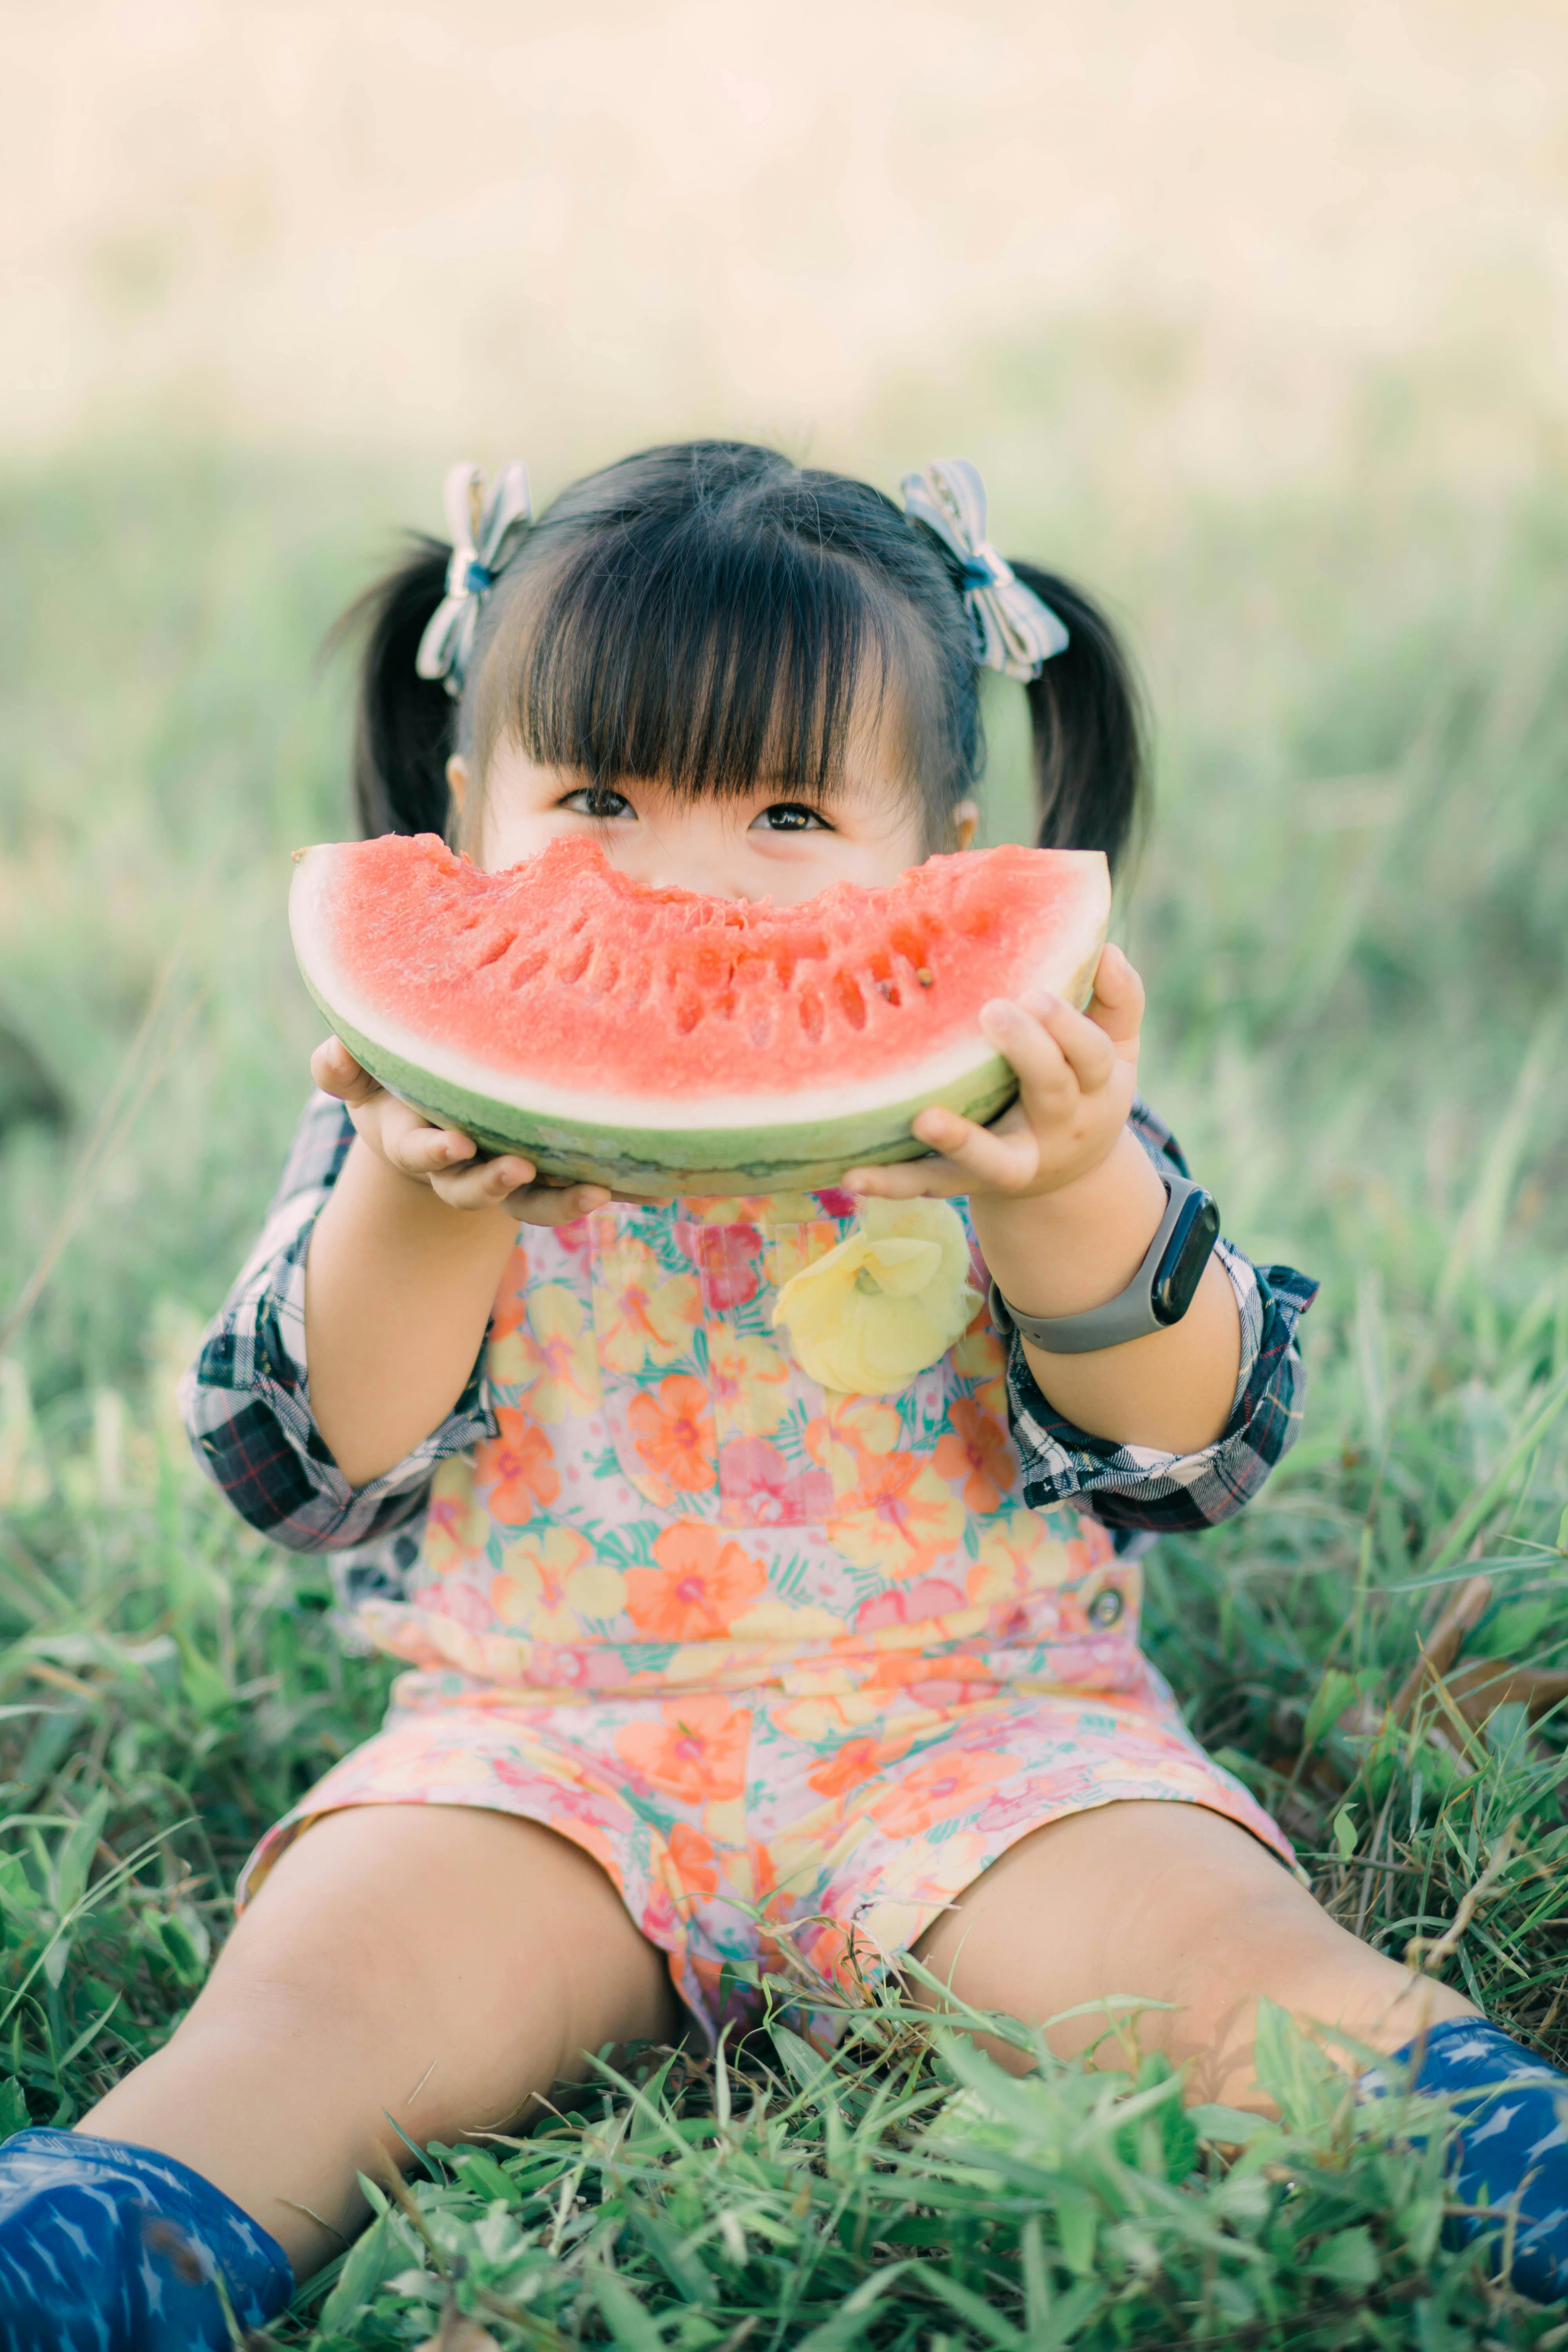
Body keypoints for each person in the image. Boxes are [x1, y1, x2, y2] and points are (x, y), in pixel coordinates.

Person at [1, 443, 1560, 2347]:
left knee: (1234, 1970)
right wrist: (419, 1212)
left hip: (985, 1748)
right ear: (465, 809)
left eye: (791, 814)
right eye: (597, 799)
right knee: (305, 2029)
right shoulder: (404, 1130)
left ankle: (1508, 2161)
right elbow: (306, 1463)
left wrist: (1074, 1197)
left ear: (947, 851)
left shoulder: (1006, 1112)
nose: (685, 883)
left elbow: (1195, 1446)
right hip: (535, 1762)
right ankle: (79, 2256)